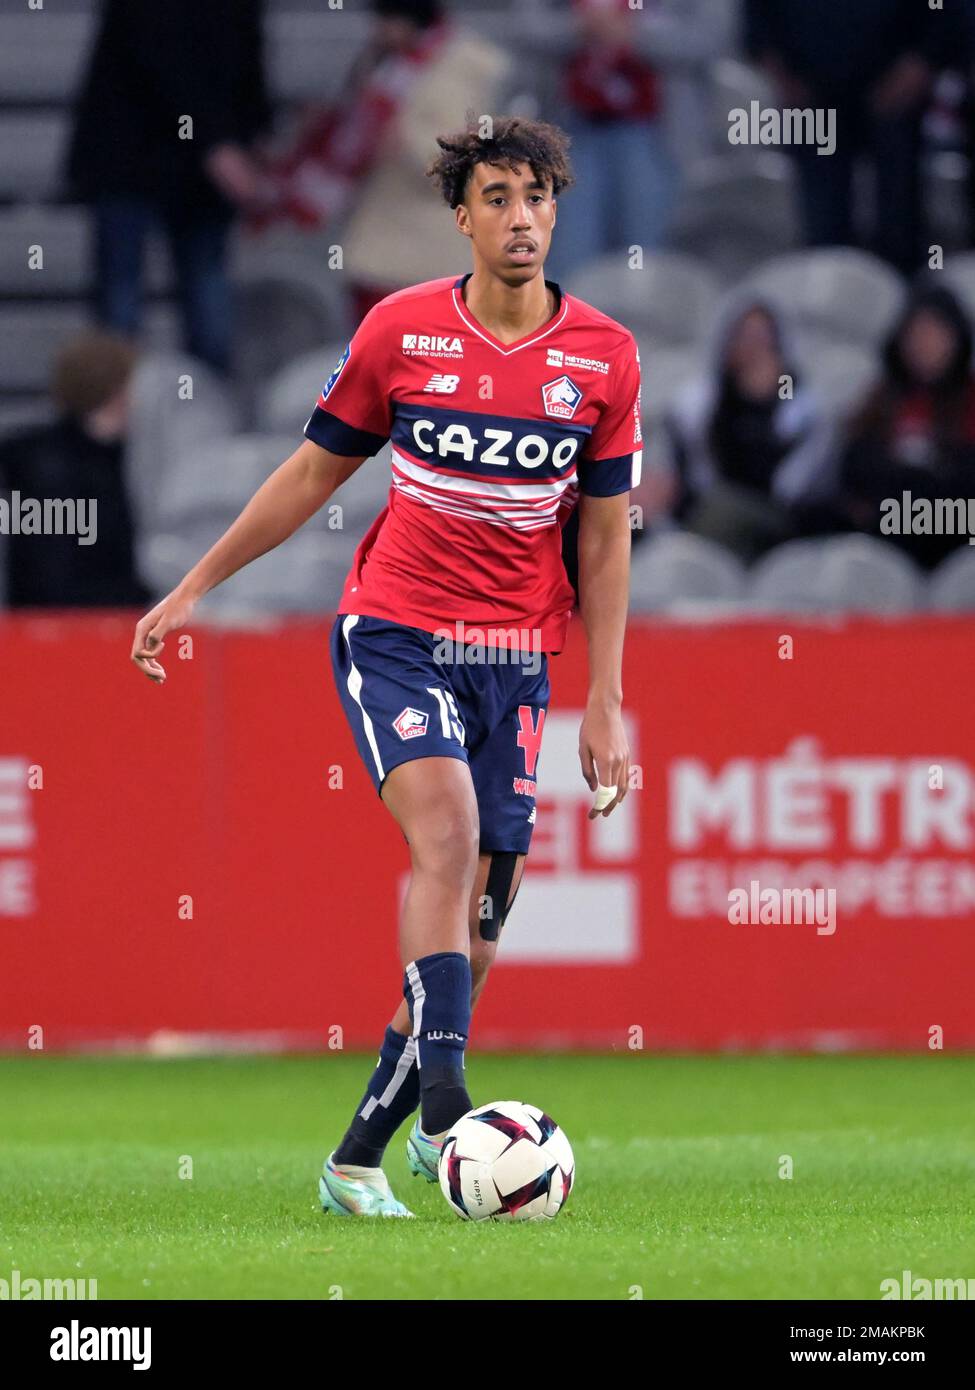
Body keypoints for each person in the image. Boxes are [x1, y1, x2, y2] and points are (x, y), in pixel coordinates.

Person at [130, 116, 639, 1218]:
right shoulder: (401, 331)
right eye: (496, 198)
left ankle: (360, 1155)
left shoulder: (604, 355)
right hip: (397, 633)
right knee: (445, 837)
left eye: (537, 198)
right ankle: (452, 1105)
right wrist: (194, 588)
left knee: (484, 928)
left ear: (557, 211)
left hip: (516, 655)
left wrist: (604, 698)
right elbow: (311, 475)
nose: (520, 218)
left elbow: (604, 534)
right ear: (460, 217)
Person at [245, 0, 511, 323]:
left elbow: (465, 164)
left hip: (432, 256)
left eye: (386, 19)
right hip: (378, 248)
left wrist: (402, 138)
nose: (379, 31)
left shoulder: (466, 67)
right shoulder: (384, 65)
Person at [66, 0, 271, 372]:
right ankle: (112, 420)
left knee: (207, 304)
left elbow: (247, 56)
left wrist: (255, 136)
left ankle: (208, 416)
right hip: (127, 154)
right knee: (121, 306)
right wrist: (217, 144)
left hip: (197, 175)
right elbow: (158, 50)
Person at [745, 0, 944, 274]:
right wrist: (778, 70)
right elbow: (756, 16)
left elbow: (946, 10)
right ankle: (824, 304)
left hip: (898, 89)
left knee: (900, 229)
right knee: (823, 232)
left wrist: (927, 57)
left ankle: (911, 309)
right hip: (809, 89)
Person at [665, 295, 832, 563]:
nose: (753, 348)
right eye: (745, 337)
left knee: (721, 513)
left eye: (762, 338)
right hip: (709, 510)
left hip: (782, 517)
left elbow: (786, 488)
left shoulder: (802, 406)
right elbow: (698, 477)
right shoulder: (701, 402)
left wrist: (762, 405)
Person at [830, 281, 975, 568]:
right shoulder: (882, 398)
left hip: (950, 524)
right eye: (915, 334)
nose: (923, 344)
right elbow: (855, 463)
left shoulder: (970, 397)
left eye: (935, 333)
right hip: (888, 520)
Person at [0, 331, 149, 609]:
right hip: (61, 633)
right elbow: (50, 583)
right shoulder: (48, 470)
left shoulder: (119, 461)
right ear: (115, 393)